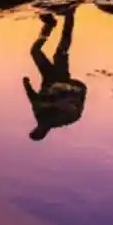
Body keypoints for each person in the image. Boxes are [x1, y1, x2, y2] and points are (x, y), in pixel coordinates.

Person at [24, 9, 86, 140]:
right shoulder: (58, 120)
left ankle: (49, 25)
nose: (39, 128)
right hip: (61, 82)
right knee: (60, 52)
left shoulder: (40, 116)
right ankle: (69, 15)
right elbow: (75, 114)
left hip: (48, 79)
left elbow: (33, 99)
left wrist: (27, 85)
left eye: (36, 129)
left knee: (35, 51)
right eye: (39, 131)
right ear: (44, 133)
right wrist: (70, 95)